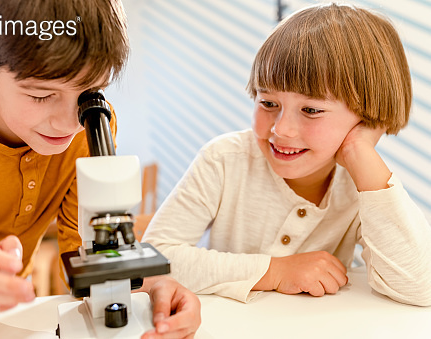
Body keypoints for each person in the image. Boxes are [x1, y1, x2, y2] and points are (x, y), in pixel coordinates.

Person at [0, 0, 200, 337]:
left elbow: (80, 250)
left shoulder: (92, 123)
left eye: (88, 92)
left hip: (10, 301)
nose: (69, 123)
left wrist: (147, 286)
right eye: (41, 96)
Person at [143, 2, 431, 306]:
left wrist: (359, 151)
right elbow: (153, 260)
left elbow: (418, 286)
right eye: (268, 103)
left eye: (311, 110)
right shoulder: (224, 160)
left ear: (367, 117)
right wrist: (275, 270)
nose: (282, 130)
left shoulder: (363, 183)